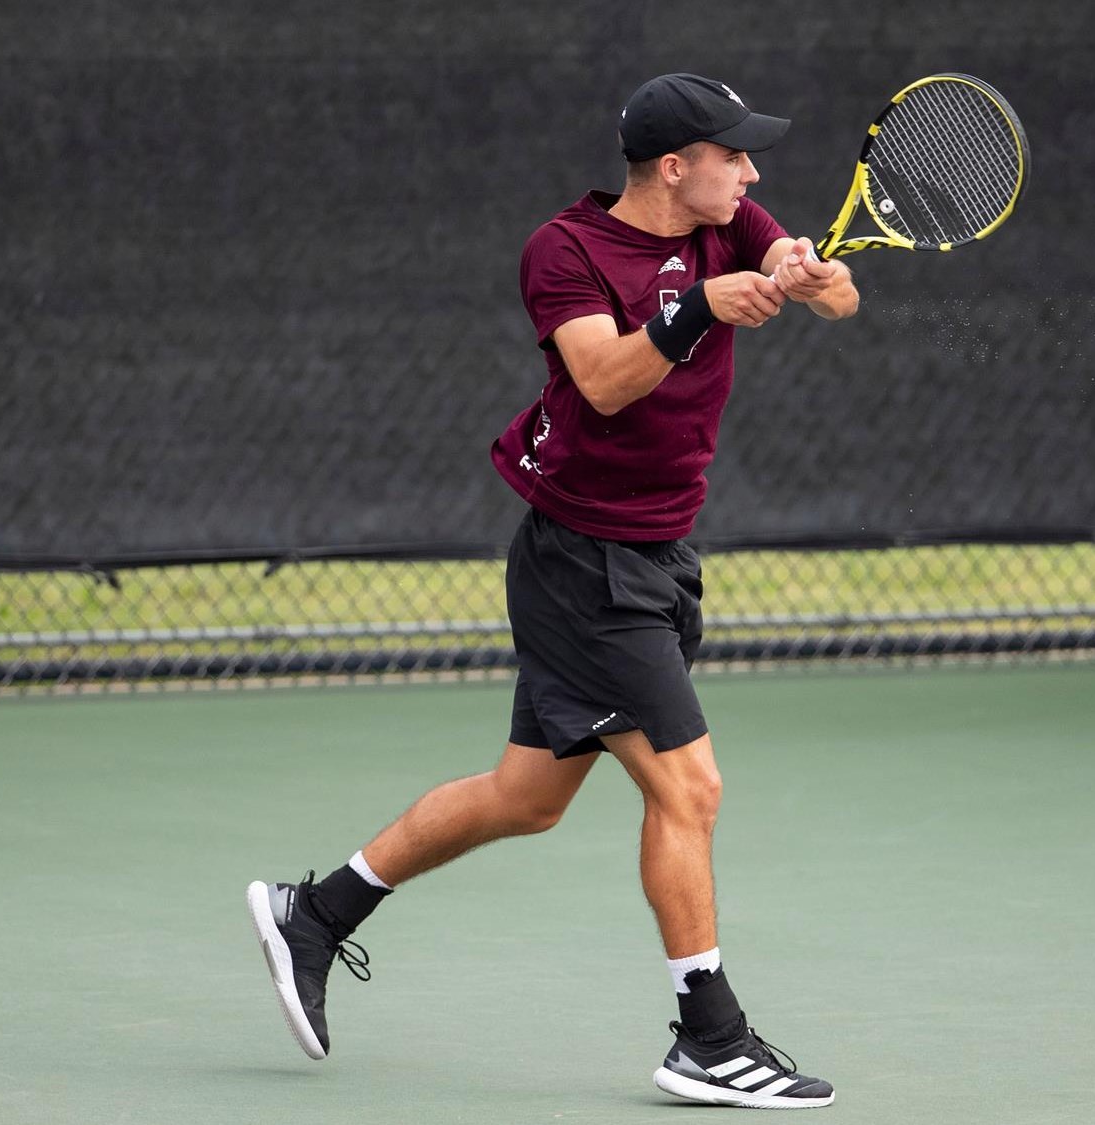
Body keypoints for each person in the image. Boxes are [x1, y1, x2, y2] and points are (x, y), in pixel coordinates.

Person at [245, 73, 857, 1110]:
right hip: (583, 563)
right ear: (676, 167)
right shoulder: (565, 252)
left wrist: (803, 273)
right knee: (688, 788)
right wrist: (700, 307)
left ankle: (317, 913)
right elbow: (606, 382)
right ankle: (707, 1036)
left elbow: (842, 299)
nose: (752, 174)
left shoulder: (733, 221)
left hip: (658, 553)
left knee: (525, 799)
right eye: (733, 155)